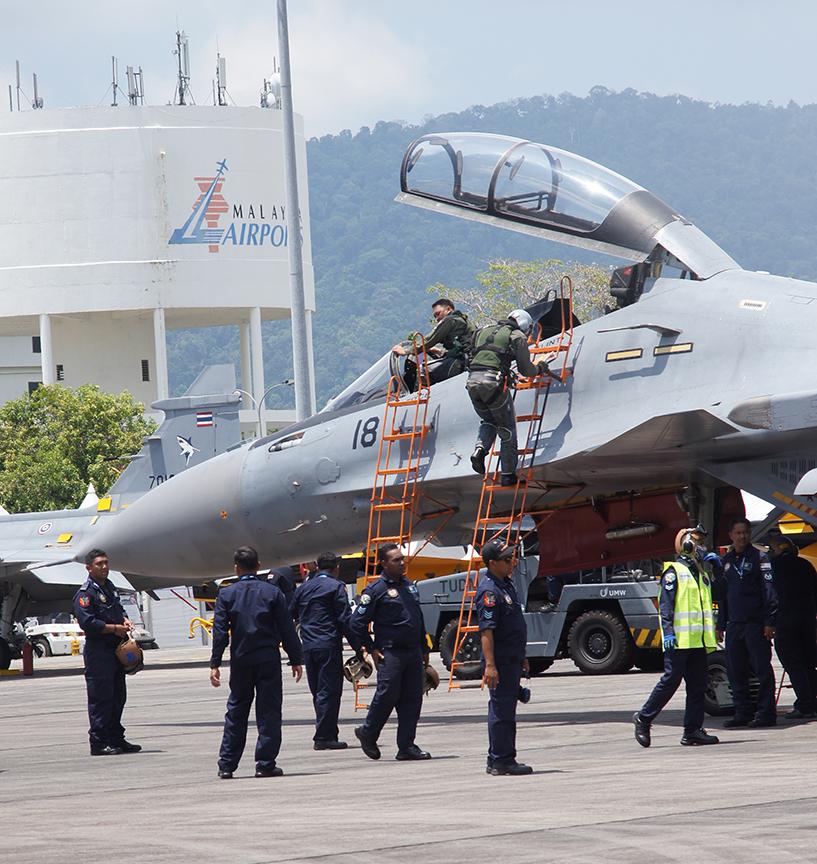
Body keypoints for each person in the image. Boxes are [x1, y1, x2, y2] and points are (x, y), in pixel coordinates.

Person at [209, 546, 304, 779]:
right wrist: (296, 658)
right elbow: (286, 628)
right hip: (267, 658)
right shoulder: (272, 593)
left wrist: (215, 663)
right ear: (259, 566)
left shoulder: (226, 594)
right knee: (269, 711)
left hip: (241, 659)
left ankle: (227, 765)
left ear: (236, 568)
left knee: (236, 709)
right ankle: (265, 763)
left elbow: (220, 632)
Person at [633, 526, 720, 747]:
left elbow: (718, 596)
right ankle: (643, 718)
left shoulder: (701, 573)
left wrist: (718, 571)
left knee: (697, 686)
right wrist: (669, 633)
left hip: (697, 641)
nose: (701, 547)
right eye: (697, 542)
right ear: (686, 545)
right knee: (670, 681)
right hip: (679, 640)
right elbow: (666, 607)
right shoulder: (674, 572)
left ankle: (692, 731)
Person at [349, 543, 431, 761]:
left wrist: (424, 648)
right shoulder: (375, 590)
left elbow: (417, 618)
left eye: (402, 559)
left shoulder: (409, 586)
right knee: (387, 694)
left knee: (412, 699)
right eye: (396, 560)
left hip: (413, 652)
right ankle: (368, 732)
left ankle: (406, 746)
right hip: (391, 652)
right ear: (384, 564)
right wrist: (371, 648)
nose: (402, 563)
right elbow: (356, 622)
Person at [466, 308, 556, 486]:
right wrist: (541, 367)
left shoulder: (483, 331)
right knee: (507, 429)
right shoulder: (517, 336)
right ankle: (508, 475)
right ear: (524, 324)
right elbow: (526, 370)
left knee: (488, 420)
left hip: (472, 382)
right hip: (493, 384)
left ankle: (480, 450)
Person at [73, 548, 141, 756]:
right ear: (89, 568)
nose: (104, 567)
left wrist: (125, 620)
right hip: (99, 652)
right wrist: (114, 628)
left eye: (106, 563)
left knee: (118, 696)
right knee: (101, 698)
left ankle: (116, 738)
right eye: (99, 564)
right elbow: (88, 622)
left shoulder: (109, 587)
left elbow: (118, 609)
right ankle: (99, 742)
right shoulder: (86, 594)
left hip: (116, 649)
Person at [476, 538, 533, 775]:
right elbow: (486, 631)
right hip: (500, 662)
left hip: (511, 659)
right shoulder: (490, 591)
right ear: (492, 563)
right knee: (502, 712)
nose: (513, 562)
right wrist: (490, 666)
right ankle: (502, 760)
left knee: (506, 709)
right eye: (507, 559)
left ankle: (496, 758)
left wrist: (522, 656)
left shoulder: (505, 585)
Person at [718, 517, 778, 728]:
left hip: (756, 623)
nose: (742, 536)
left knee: (762, 669)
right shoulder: (726, 561)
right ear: (731, 535)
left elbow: (769, 591)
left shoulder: (760, 558)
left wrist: (770, 621)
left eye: (745, 532)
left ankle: (766, 713)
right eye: (738, 533)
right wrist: (720, 624)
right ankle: (742, 712)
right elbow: (724, 595)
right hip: (735, 624)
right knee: (735, 670)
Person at [290, 552, 354, 749]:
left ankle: (329, 732)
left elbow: (291, 612)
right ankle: (324, 737)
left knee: (318, 692)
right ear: (336, 568)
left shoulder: (304, 587)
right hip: (328, 645)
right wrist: (359, 647)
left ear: (317, 567)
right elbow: (344, 619)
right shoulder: (336, 587)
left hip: (309, 646)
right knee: (330, 692)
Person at [767, 532, 817, 720]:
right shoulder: (805, 565)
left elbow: (771, 596)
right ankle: (812, 701)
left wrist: (770, 621)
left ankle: (804, 703)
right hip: (807, 621)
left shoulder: (775, 567)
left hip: (786, 621)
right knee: (809, 662)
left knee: (793, 663)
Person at [392, 297, 475, 385]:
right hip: (466, 360)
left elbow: (431, 339)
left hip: (462, 362)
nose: (437, 318)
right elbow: (459, 347)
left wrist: (406, 351)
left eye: (438, 314)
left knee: (422, 372)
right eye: (435, 316)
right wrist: (439, 351)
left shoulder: (450, 320)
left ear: (448, 309)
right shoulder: (461, 320)